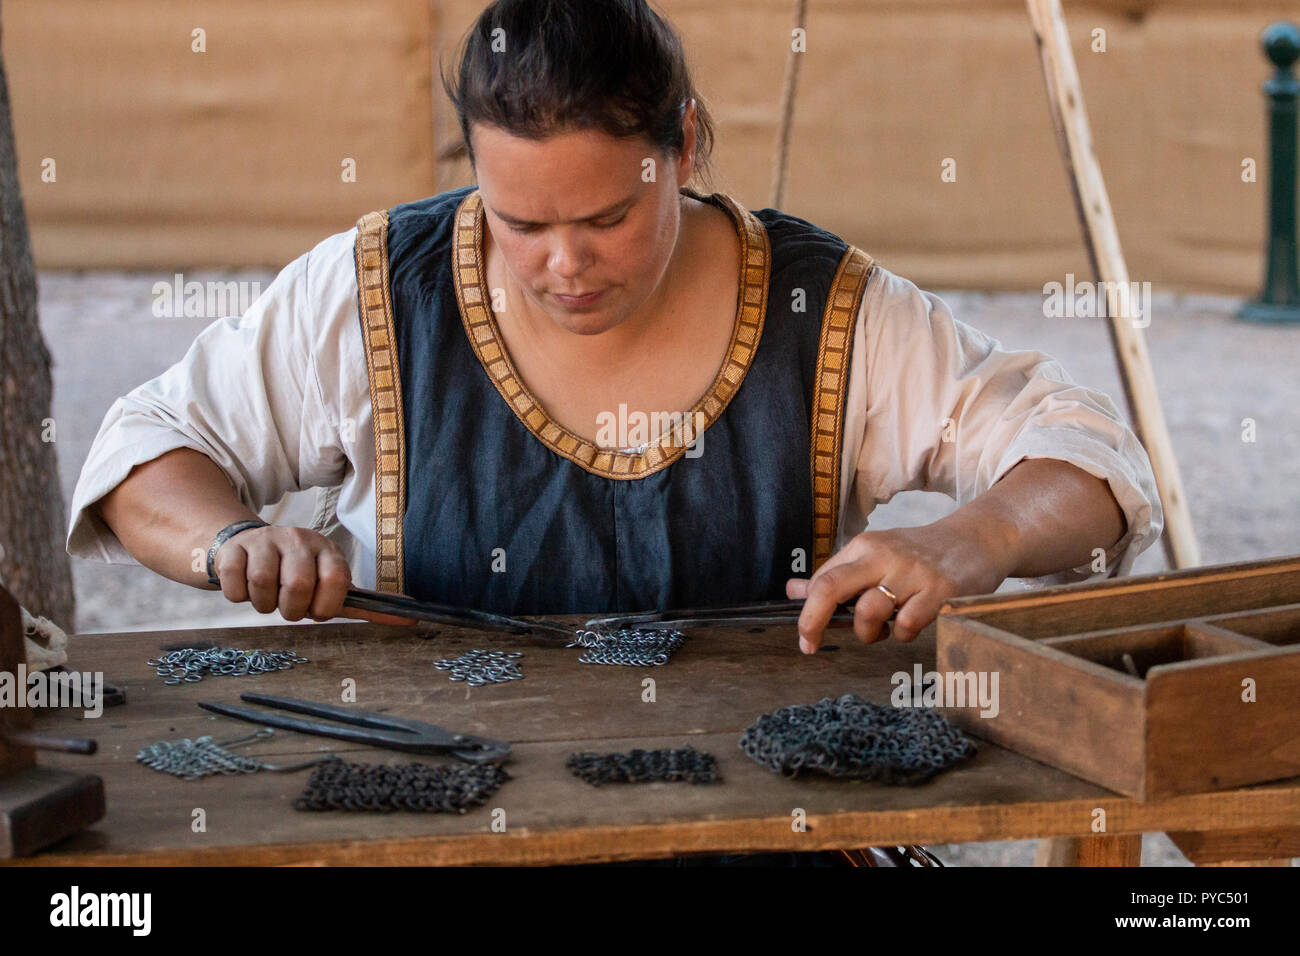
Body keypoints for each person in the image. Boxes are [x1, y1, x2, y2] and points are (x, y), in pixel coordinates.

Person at [67, 0, 1162, 656]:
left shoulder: (821, 312)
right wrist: (228, 540)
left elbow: (1089, 456)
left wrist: (973, 537)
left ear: (681, 145)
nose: (562, 262)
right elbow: (147, 446)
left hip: (751, 823)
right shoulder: (375, 288)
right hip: (434, 815)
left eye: (606, 216)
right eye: (519, 222)